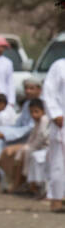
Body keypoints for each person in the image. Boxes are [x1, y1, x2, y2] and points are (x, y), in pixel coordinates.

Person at [42, 56, 65, 211]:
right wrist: (55, 113)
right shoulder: (59, 66)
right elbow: (49, 91)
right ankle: (56, 199)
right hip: (61, 121)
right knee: (59, 162)